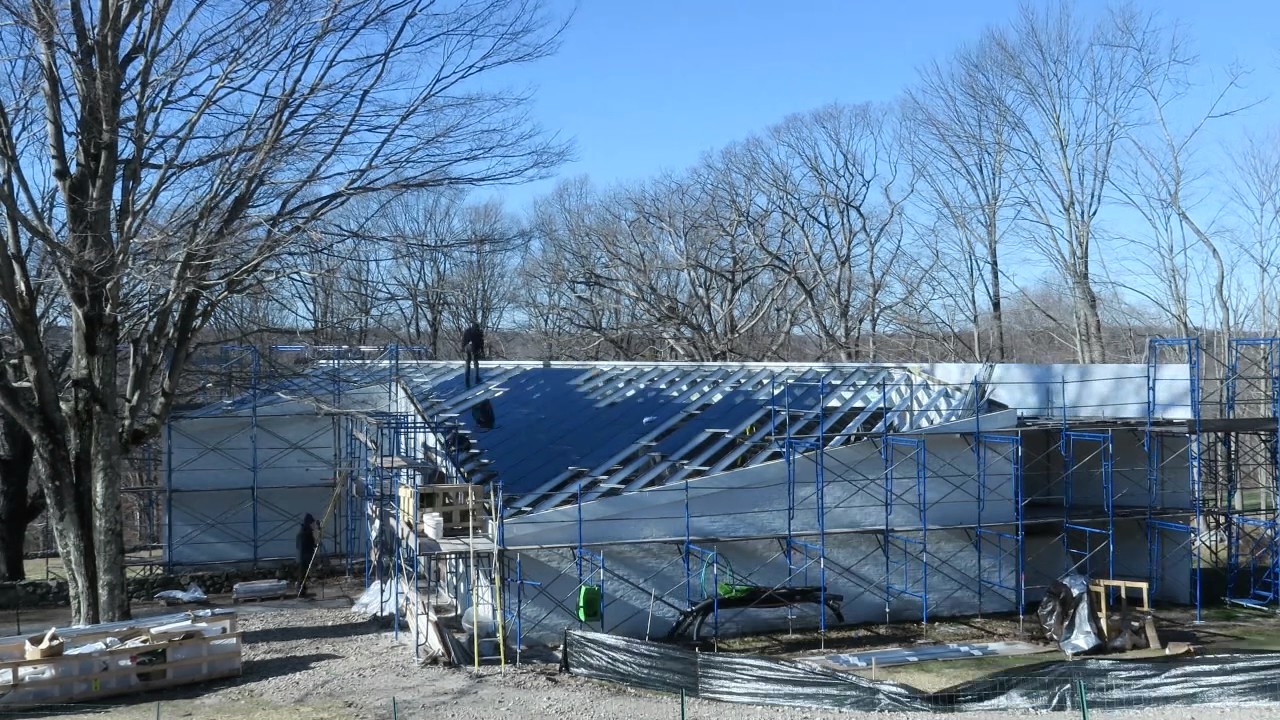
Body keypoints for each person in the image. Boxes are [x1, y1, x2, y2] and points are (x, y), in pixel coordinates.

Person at [296, 513, 318, 597]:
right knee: (302, 575)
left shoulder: (304, 531)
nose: (312, 525)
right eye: (311, 523)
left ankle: (302, 590)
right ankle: (300, 591)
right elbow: (306, 546)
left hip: (303, 557)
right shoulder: (305, 533)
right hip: (303, 557)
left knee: (303, 574)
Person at [461, 322, 485, 387]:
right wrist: (482, 351)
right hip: (474, 347)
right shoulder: (478, 332)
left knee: (467, 363)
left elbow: (463, 340)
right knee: (475, 363)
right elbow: (481, 342)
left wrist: (463, 348)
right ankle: (476, 378)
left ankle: (467, 379)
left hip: (467, 347)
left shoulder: (467, 331)